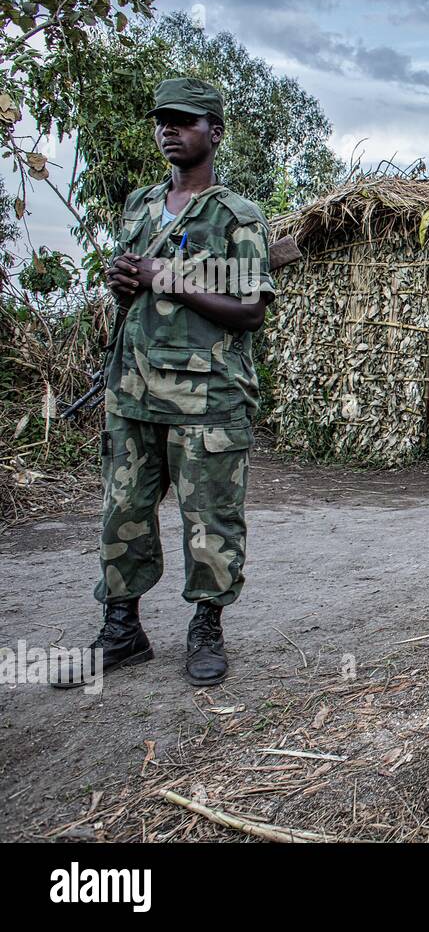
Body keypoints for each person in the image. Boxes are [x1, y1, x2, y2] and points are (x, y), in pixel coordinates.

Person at [52, 78, 274, 688]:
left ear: (214, 132)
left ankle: (206, 629)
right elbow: (140, 289)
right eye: (163, 121)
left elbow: (250, 309)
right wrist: (126, 281)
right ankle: (122, 629)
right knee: (121, 513)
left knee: (210, 519)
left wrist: (164, 275)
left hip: (208, 398)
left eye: (185, 120)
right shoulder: (141, 207)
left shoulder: (234, 216)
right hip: (132, 393)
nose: (170, 130)